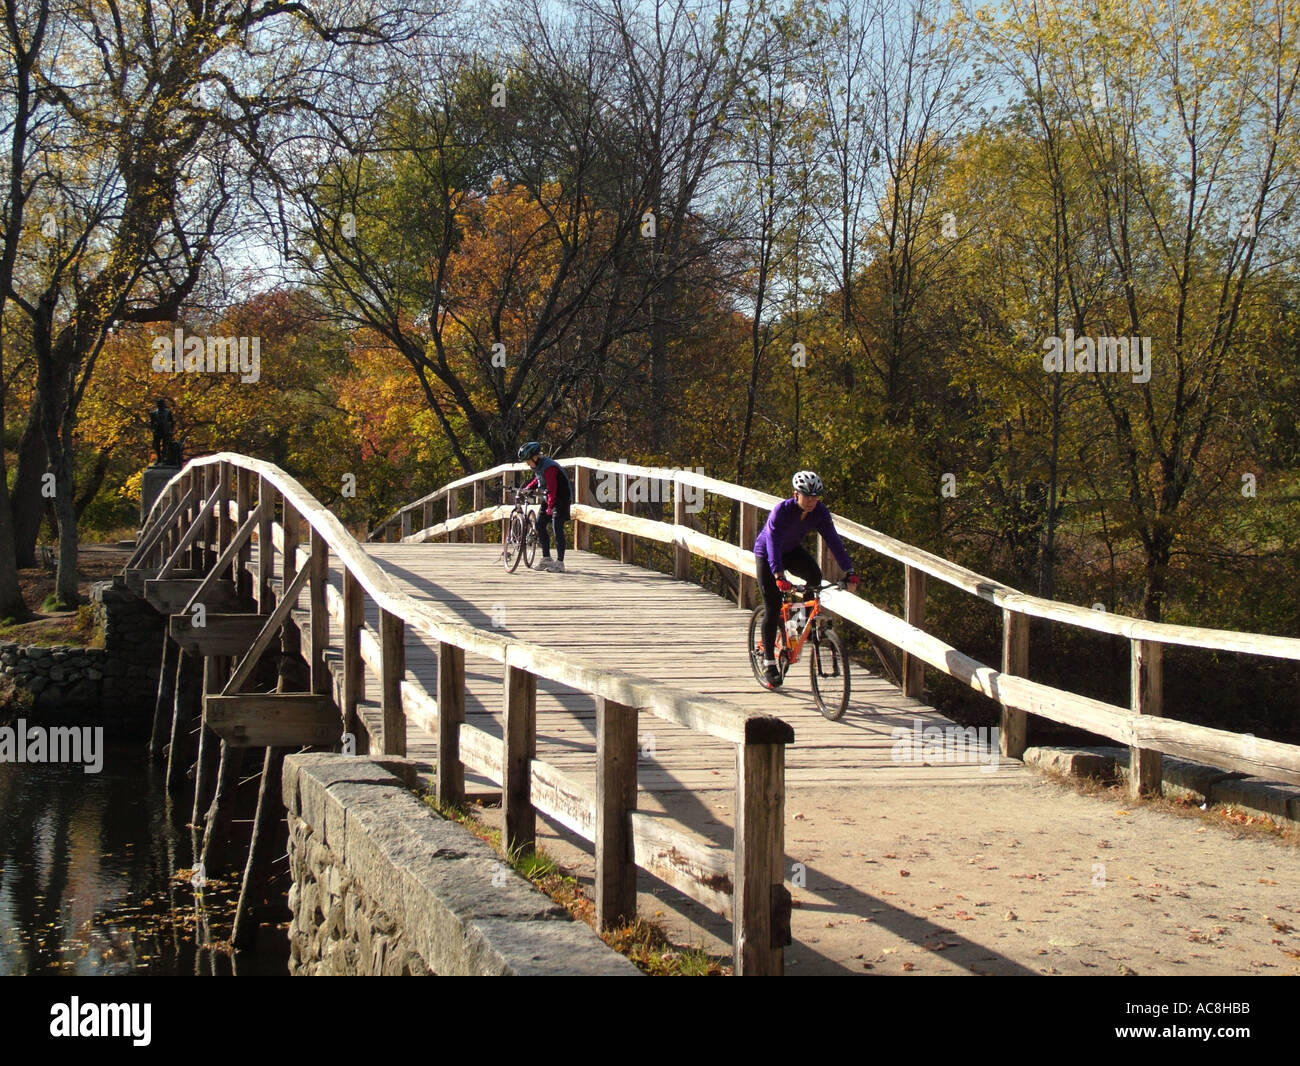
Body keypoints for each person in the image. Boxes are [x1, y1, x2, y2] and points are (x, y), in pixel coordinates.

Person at [752, 470, 859, 688]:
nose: (811, 501)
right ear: (795, 494)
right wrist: (778, 574)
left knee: (815, 576)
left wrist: (849, 569)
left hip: (791, 551)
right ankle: (769, 661)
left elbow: (833, 539)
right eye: (806, 496)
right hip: (767, 555)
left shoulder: (819, 512)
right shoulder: (781, 512)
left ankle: (797, 625)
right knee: (772, 607)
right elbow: (772, 543)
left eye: (815, 496)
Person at [518, 441, 573, 572]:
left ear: (535, 457)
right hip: (549, 497)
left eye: (527, 461)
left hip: (561, 498)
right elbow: (538, 480)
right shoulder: (538, 466)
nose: (527, 464)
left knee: (557, 528)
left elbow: (553, 488)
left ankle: (560, 563)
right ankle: (546, 558)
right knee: (540, 524)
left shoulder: (549, 467)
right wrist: (528, 488)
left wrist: (550, 506)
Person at [149, 398, 175, 465]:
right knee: (156, 446)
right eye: (159, 404)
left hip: (165, 431)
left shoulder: (168, 412)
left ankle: (163, 458)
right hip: (157, 432)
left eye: (161, 403)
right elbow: (151, 423)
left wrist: (171, 430)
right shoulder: (154, 413)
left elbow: (171, 422)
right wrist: (153, 430)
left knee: (165, 445)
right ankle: (159, 458)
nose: (160, 405)